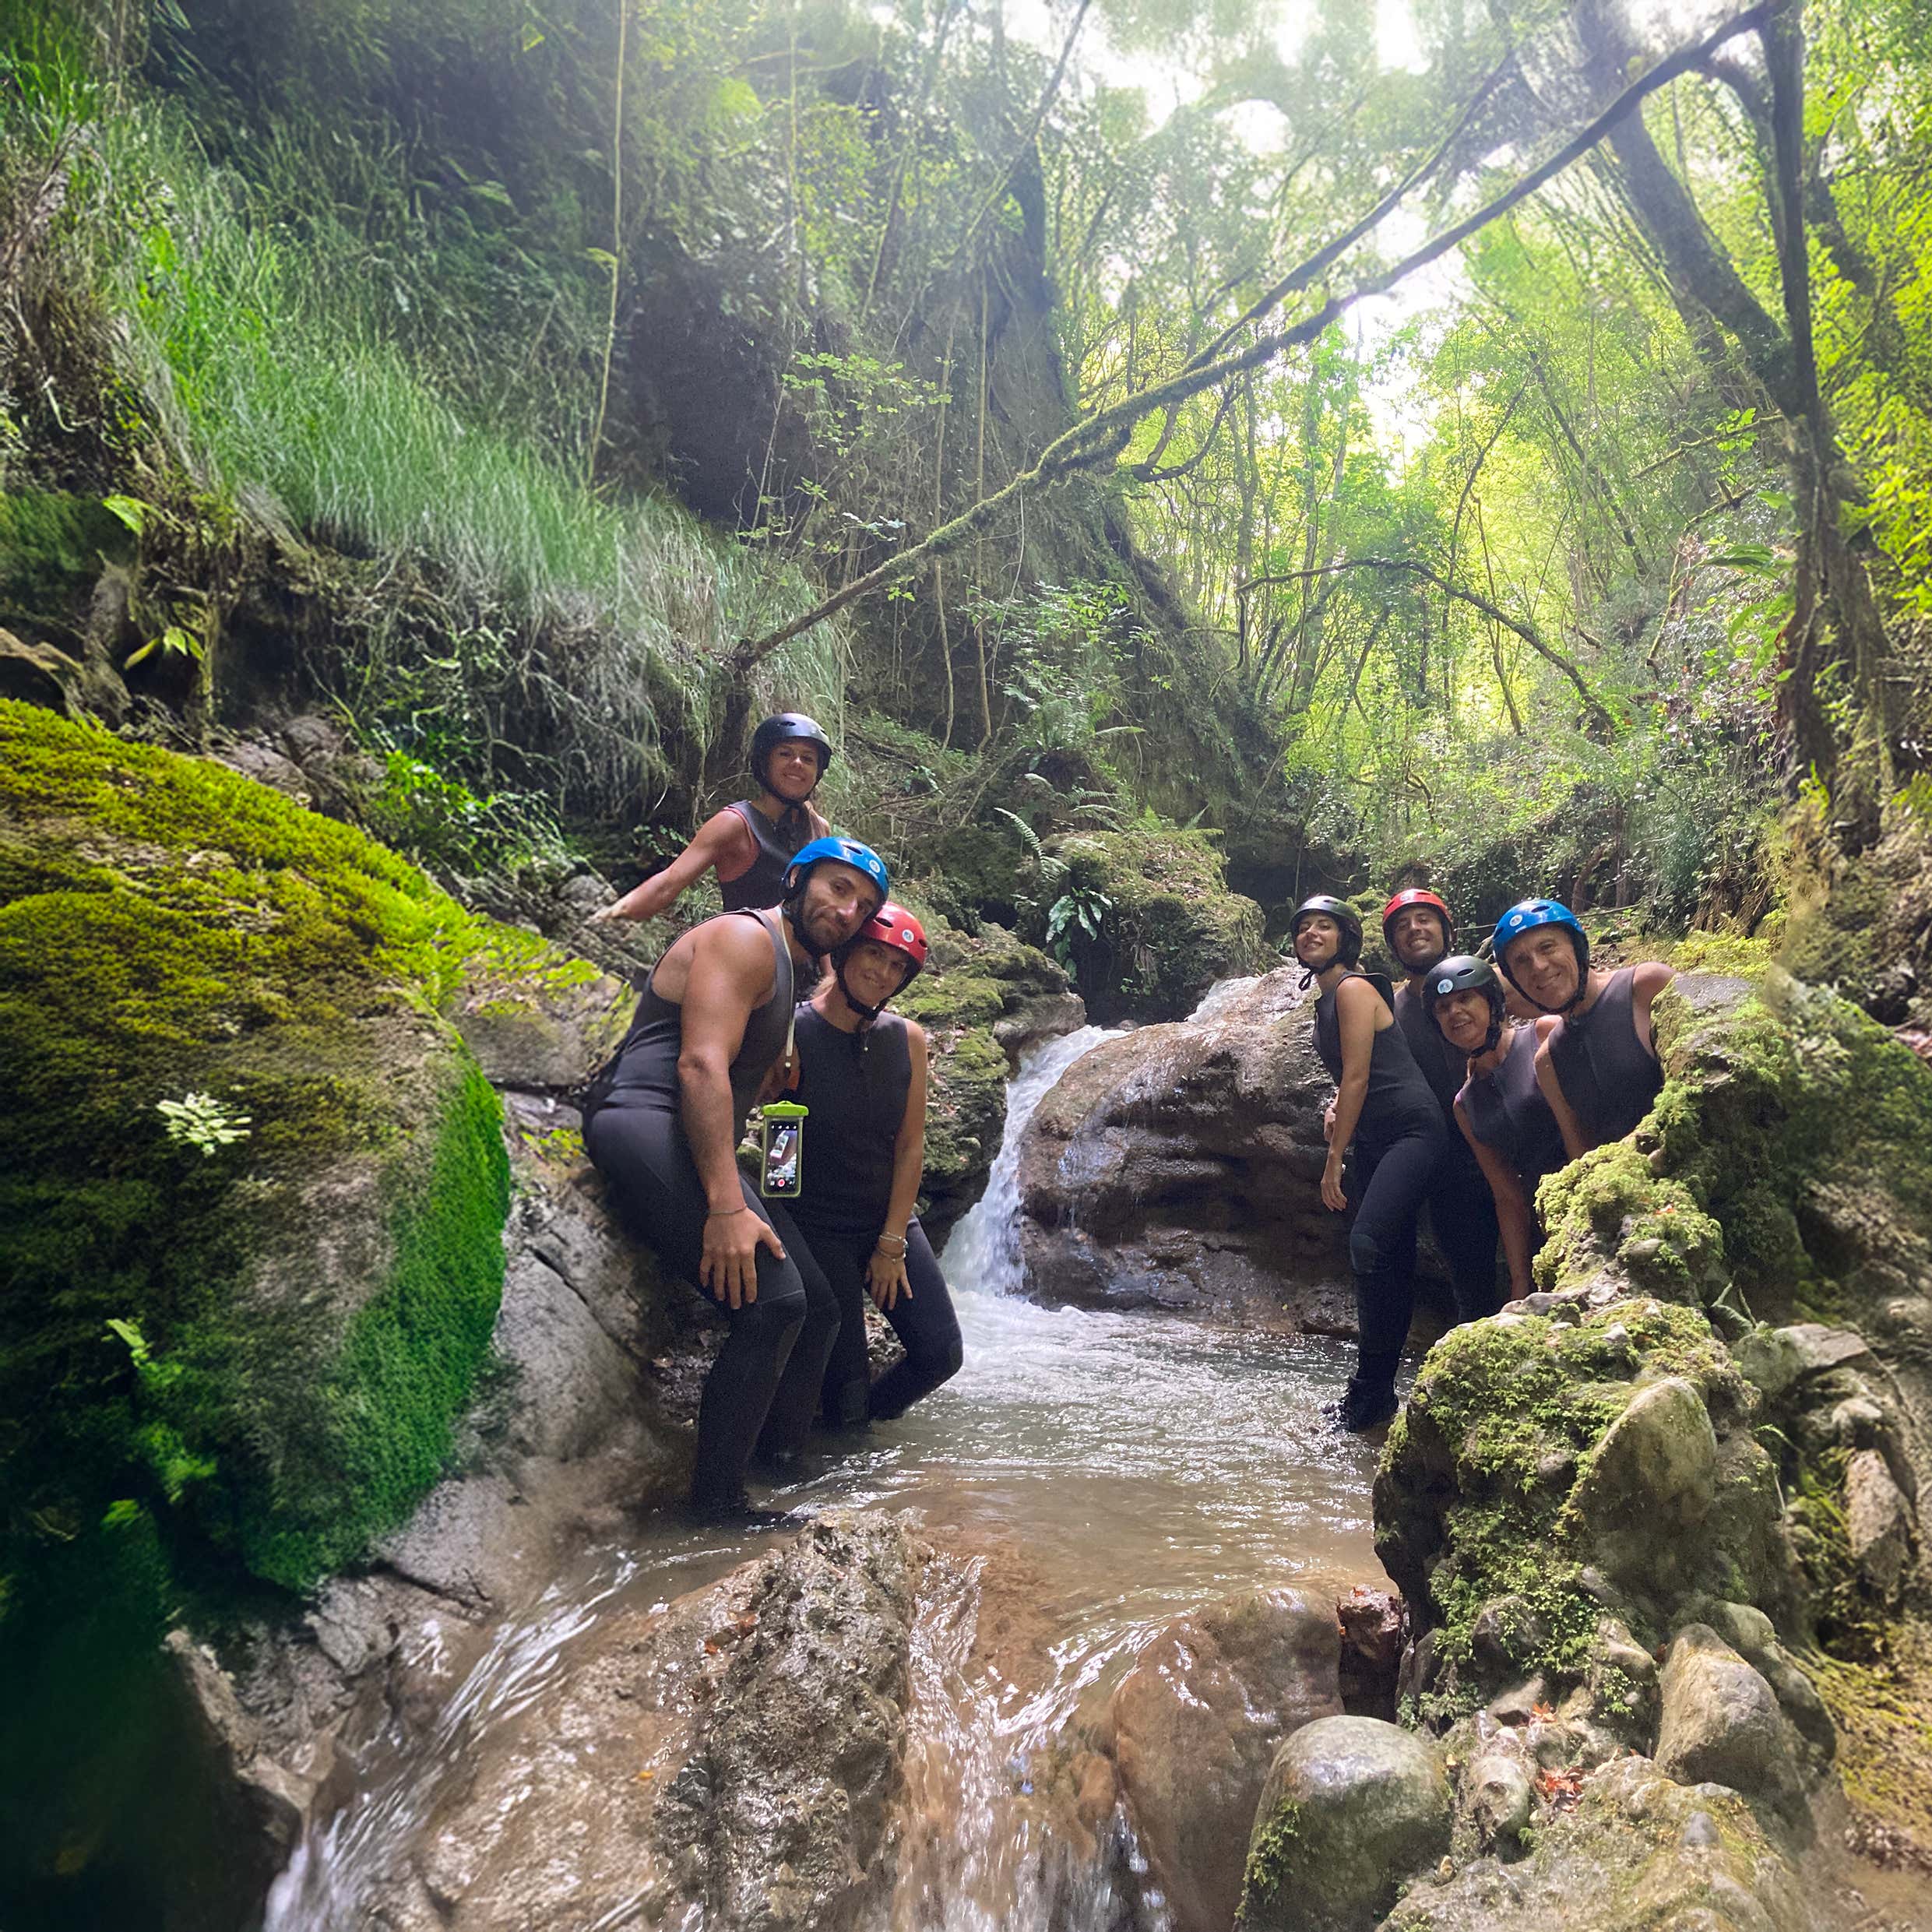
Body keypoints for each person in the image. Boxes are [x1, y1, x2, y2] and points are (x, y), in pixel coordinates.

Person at [582, 835, 889, 1522]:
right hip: (641, 1115)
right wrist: (726, 1205)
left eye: (862, 906)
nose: (846, 911)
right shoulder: (745, 939)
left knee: (818, 1303)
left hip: (686, 1133)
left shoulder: (785, 966)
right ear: (799, 880)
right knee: (773, 1303)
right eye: (838, 889)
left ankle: (778, 1463)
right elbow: (698, 1066)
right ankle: (715, 1505)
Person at [779, 901, 964, 1431]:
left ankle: (854, 1432)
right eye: (873, 955)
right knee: (846, 1390)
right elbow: (773, 1130)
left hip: (886, 1218)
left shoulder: (906, 1039)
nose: (881, 972)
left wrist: (890, 1242)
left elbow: (909, 1144)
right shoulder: (792, 1033)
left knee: (939, 1353)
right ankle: (841, 1463)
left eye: (896, 966)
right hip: (818, 1226)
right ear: (845, 953)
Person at [1291, 895, 1449, 1434]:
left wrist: (1333, 1161)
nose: (1311, 933)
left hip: (1413, 1130)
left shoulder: (1356, 988)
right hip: (1378, 1136)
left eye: (1323, 927)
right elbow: (1349, 1081)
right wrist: (1337, 1109)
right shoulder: (1325, 1000)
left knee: (1369, 1241)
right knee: (1387, 1261)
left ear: (1345, 940)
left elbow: (1360, 1075)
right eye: (1303, 927)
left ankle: (1369, 1390)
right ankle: (1375, 1394)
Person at [1380, 889, 1503, 1321]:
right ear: (1392, 945)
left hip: (1515, 1143)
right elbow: (1374, 1073)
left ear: (1447, 930)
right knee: (1473, 1285)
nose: (1415, 930)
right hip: (1449, 1169)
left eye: (1424, 920)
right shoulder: (1390, 1014)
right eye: (1402, 925)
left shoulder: (1487, 984)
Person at [592, 712, 835, 924]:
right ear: (764, 763)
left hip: (802, 967)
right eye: (785, 753)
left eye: (808, 758)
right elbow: (669, 883)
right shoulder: (736, 823)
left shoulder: (817, 829)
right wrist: (608, 920)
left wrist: (829, 975)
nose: (797, 763)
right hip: (743, 956)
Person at [1424, 954, 1569, 1302]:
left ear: (1492, 1002)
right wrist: (1520, 1283)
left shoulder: (1545, 1033)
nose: (1454, 1012)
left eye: (1465, 999)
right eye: (1443, 1008)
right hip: (1545, 1222)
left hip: (1590, 1196)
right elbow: (1507, 1196)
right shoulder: (1465, 1103)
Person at [1491, 898, 1676, 1157]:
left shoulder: (1647, 987)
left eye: (1547, 947)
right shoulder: (1548, 1061)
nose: (1539, 966)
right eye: (1521, 961)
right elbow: (1581, 1155)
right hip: (1629, 1187)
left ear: (1577, 947)